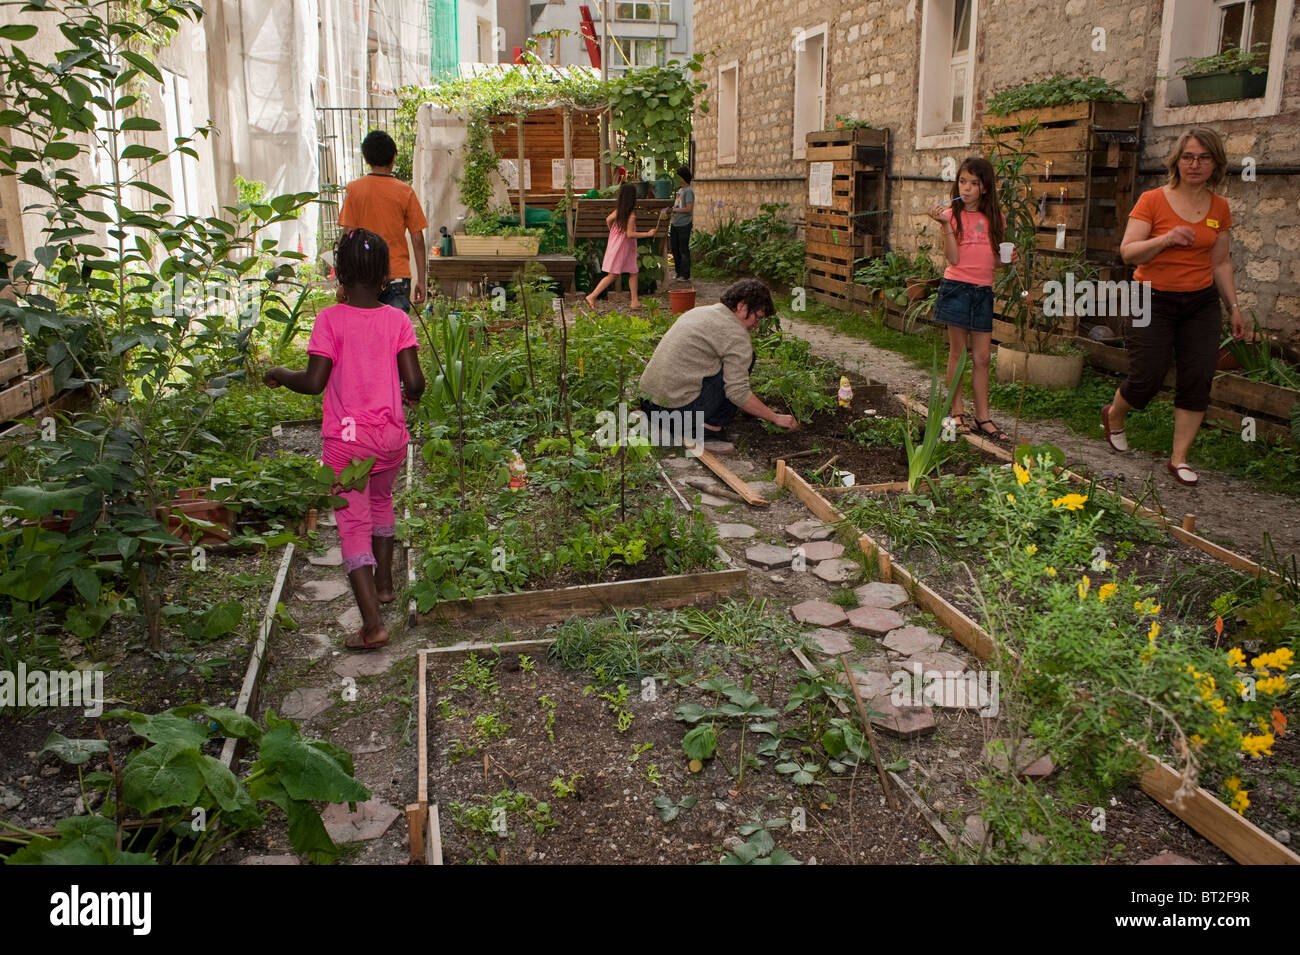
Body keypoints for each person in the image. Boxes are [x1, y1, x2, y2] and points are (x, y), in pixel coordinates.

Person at [264, 229, 425, 651]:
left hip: (348, 442)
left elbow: (315, 382)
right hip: (390, 439)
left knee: (353, 526)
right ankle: (386, 585)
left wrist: (282, 375)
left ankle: (373, 626)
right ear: (385, 275)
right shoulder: (397, 319)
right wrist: (407, 394)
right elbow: (415, 381)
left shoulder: (329, 319)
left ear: (341, 271)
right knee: (382, 502)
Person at [1101, 127, 1245, 487]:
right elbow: (1128, 252)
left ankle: (1179, 458)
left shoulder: (1220, 207)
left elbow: (1221, 262)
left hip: (1200, 302)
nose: (1195, 164)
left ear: (1215, 163)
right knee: (1147, 375)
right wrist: (1164, 239)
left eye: (1204, 157)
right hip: (1150, 296)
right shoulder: (1152, 200)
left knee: (1198, 376)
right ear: (1177, 161)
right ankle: (1115, 414)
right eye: (1188, 157)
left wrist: (1234, 307)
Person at [639, 279, 798, 444]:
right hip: (676, 415)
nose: (756, 325)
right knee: (746, 361)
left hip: (648, 406)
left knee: (731, 363)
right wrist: (774, 417)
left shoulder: (699, 312)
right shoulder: (736, 335)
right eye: (757, 317)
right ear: (742, 306)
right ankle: (710, 429)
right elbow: (737, 392)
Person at [927, 156, 1010, 441]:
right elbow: (953, 257)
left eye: (974, 183)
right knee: (958, 354)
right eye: (963, 181)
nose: (968, 187)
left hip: (983, 292)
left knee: (984, 357)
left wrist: (1008, 259)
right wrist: (945, 224)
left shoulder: (997, 218)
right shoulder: (951, 216)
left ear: (985, 187)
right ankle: (957, 410)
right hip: (957, 289)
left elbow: (994, 261)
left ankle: (983, 416)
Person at [338, 129, 428, 314]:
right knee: (394, 336)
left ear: (366, 158)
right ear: (394, 156)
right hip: (396, 275)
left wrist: (343, 282)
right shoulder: (405, 192)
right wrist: (421, 279)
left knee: (364, 334)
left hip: (361, 276)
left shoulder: (355, 190)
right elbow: (417, 239)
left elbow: (347, 237)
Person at [584, 182, 660, 310]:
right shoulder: (630, 216)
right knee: (613, 275)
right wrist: (648, 233)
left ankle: (634, 301)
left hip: (620, 245)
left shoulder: (619, 211)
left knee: (633, 271)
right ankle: (592, 296)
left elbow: (608, 220)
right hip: (623, 248)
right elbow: (630, 234)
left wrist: (613, 233)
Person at [669, 165, 695, 282]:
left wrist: (675, 210)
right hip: (675, 223)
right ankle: (678, 271)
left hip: (684, 224)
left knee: (683, 249)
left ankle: (685, 274)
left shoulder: (689, 191)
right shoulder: (679, 191)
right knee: (674, 248)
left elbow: (689, 208)